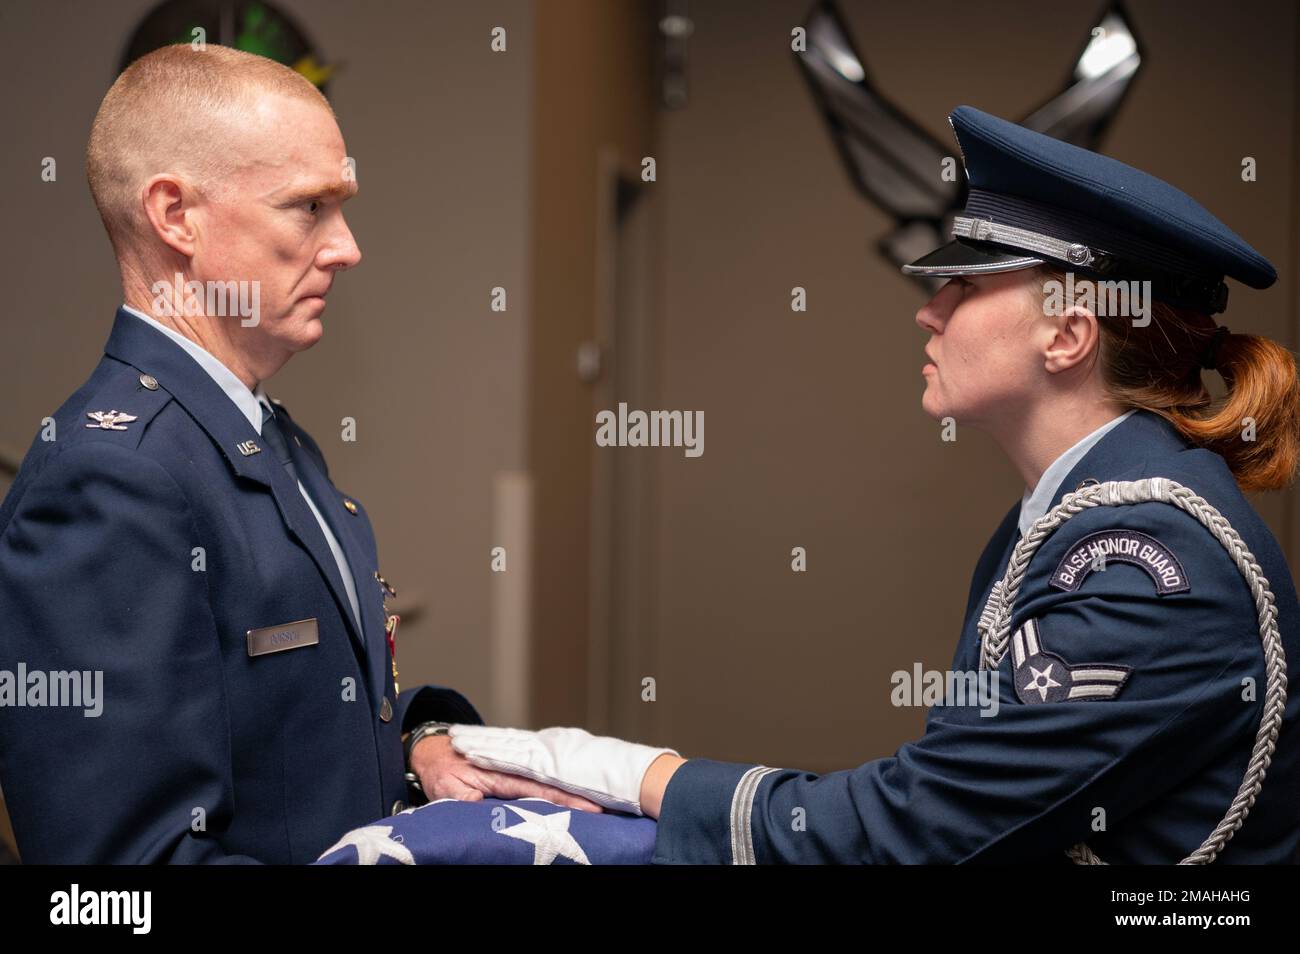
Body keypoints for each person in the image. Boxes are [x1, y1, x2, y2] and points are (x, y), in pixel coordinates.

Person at [449, 106, 1300, 864]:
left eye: (964, 286)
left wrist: (634, 776)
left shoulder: (1147, 556)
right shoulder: (1074, 514)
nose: (928, 311)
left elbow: (920, 831)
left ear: (1068, 336)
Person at [0, 44, 597, 865]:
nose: (346, 247)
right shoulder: (112, 476)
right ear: (177, 216)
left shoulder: (259, 430)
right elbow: (116, 878)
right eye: (308, 207)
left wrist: (420, 741)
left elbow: (292, 728)